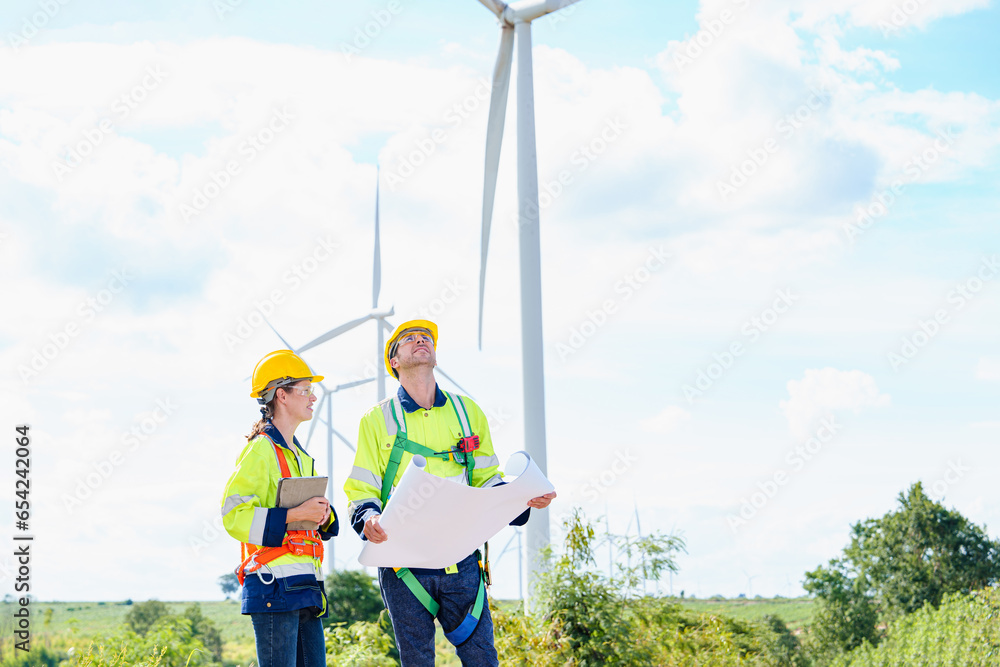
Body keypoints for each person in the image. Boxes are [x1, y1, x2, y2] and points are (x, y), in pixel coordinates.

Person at [344, 319, 556, 666]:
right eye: (409, 339)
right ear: (394, 362)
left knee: (483, 659)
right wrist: (368, 518)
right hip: (403, 563)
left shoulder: (468, 412)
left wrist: (520, 497)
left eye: (425, 337)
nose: (420, 340)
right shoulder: (377, 419)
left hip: (462, 558)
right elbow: (361, 486)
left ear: (435, 356)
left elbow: (487, 477)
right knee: (417, 661)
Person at [222, 350, 339, 667]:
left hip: (306, 588)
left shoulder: (300, 455)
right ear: (282, 395)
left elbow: (307, 517)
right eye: (305, 390)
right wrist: (295, 515)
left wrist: (323, 515)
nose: (313, 398)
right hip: (273, 588)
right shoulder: (261, 449)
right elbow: (233, 515)